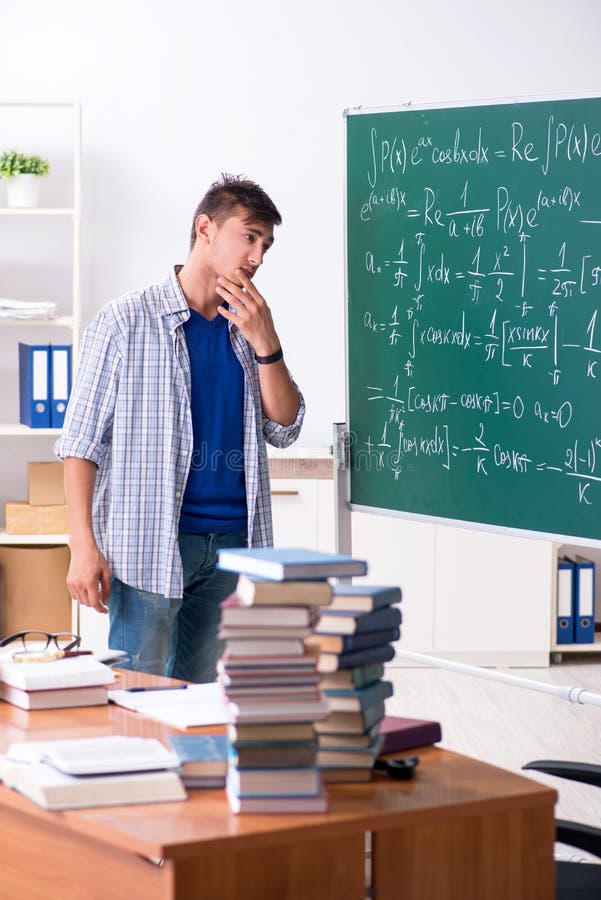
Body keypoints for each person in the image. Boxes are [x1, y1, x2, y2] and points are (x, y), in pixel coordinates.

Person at [55, 174, 305, 682]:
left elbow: (284, 424)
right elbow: (81, 444)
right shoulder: (125, 321)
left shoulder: (249, 327)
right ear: (205, 228)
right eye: (249, 236)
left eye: (266, 245)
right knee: (135, 696)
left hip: (235, 543)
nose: (257, 257)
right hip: (150, 543)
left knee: (200, 699)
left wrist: (266, 341)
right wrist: (83, 547)